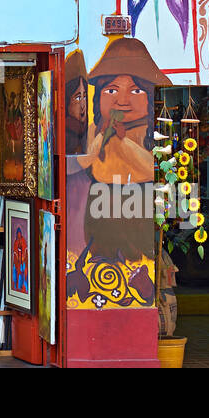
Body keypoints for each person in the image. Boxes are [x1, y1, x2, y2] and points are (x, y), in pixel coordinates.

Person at [67, 37, 171, 263]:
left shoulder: (152, 132)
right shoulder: (94, 129)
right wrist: (101, 139)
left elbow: (154, 170)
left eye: (136, 91)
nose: (122, 101)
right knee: (102, 262)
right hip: (100, 203)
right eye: (111, 90)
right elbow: (82, 163)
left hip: (139, 204)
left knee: (141, 263)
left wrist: (122, 142)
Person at [61, 49, 88, 156]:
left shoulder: (89, 129)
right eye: (77, 98)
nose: (82, 106)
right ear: (67, 102)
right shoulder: (63, 131)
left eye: (84, 97)